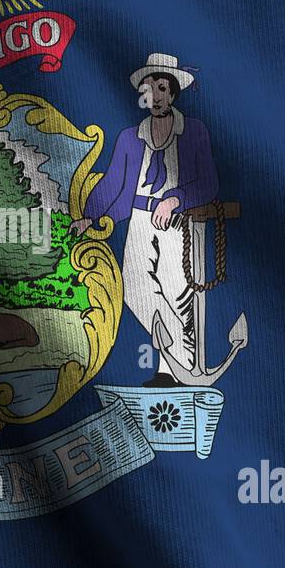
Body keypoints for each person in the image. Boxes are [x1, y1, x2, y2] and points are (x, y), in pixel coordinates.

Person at [70, 52, 219, 387]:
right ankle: (185, 358)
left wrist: (175, 198)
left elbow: (208, 183)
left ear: (173, 93)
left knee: (179, 293)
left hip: (179, 222)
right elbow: (113, 183)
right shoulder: (129, 137)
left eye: (163, 88)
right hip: (139, 218)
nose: (156, 96)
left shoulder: (194, 131)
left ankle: (170, 372)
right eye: (150, 89)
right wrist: (89, 216)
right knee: (137, 291)